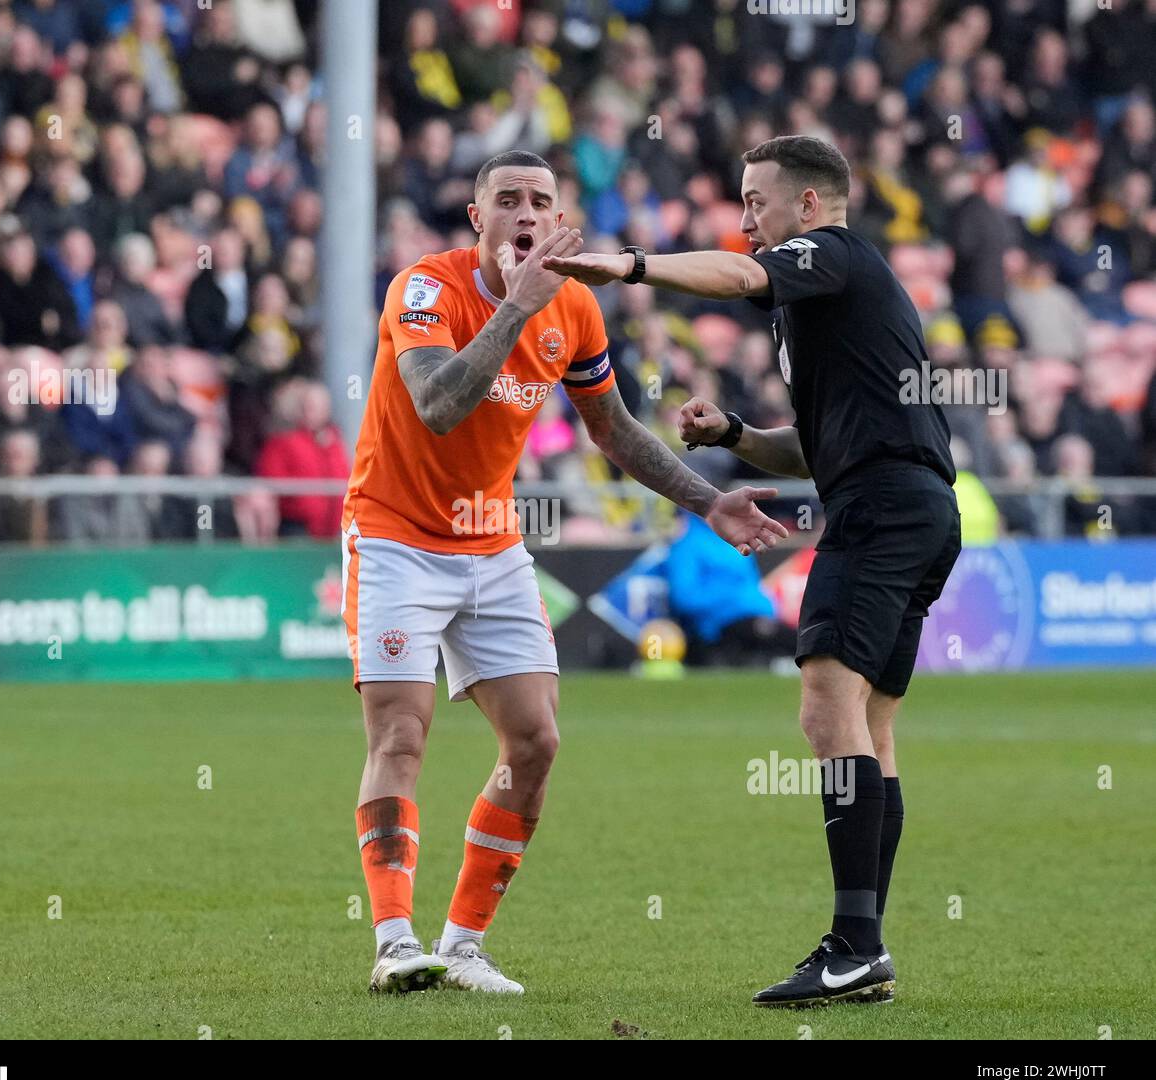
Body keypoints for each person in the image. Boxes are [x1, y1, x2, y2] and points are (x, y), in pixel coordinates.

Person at [344, 149, 787, 995]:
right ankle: (396, 939)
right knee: (402, 733)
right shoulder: (424, 289)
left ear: (555, 219)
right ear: (478, 216)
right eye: (505, 199)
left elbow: (614, 430)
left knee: (537, 741)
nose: (524, 212)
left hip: (493, 543)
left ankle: (464, 943)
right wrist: (514, 306)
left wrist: (708, 500)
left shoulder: (576, 307)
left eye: (540, 201)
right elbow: (439, 408)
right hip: (395, 533)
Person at [546, 134, 962, 1008]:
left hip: (883, 510)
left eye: (756, 202)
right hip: (914, 506)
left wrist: (625, 264)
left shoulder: (833, 254)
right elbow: (815, 445)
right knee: (869, 730)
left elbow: (737, 276)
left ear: (807, 205)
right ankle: (864, 950)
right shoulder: (829, 296)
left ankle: (853, 944)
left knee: (823, 708)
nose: (745, 222)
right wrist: (735, 436)